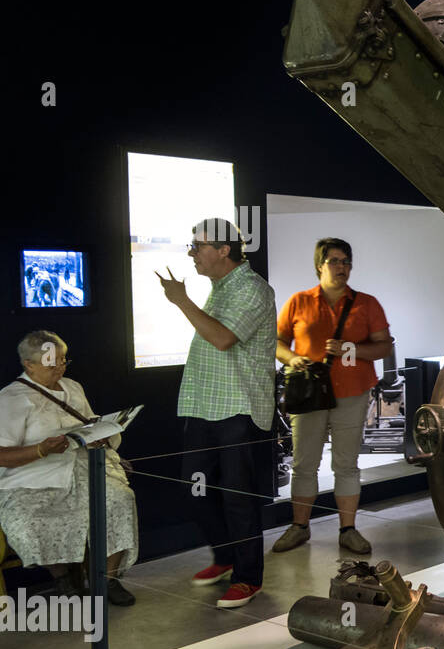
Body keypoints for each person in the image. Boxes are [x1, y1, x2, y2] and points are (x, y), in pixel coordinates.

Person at [159, 217, 276, 609]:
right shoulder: (220, 288)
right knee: (193, 488)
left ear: (224, 250)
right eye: (191, 246)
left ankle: (248, 577)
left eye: (198, 246)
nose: (192, 253)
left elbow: (223, 339)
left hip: (238, 408)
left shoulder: (253, 289)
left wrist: (182, 301)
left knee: (238, 497)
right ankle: (226, 556)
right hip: (204, 408)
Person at [273, 238, 393, 555]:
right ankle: (299, 527)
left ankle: (348, 530)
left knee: (346, 464)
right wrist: (292, 359)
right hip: (309, 393)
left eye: (346, 261)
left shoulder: (366, 304)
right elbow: (277, 343)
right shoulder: (299, 301)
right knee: (304, 464)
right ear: (320, 265)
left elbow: (384, 346)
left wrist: (349, 349)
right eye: (335, 261)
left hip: (352, 393)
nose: (342, 267)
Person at [0, 331, 137, 605]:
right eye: (52, 363)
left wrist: (100, 434)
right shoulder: (10, 398)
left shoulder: (72, 387)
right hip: (34, 475)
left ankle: (108, 579)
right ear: (29, 364)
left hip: (84, 466)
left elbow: (89, 422)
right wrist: (41, 449)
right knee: (28, 518)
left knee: (120, 500)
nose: (60, 368)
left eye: (63, 361)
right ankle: (62, 577)